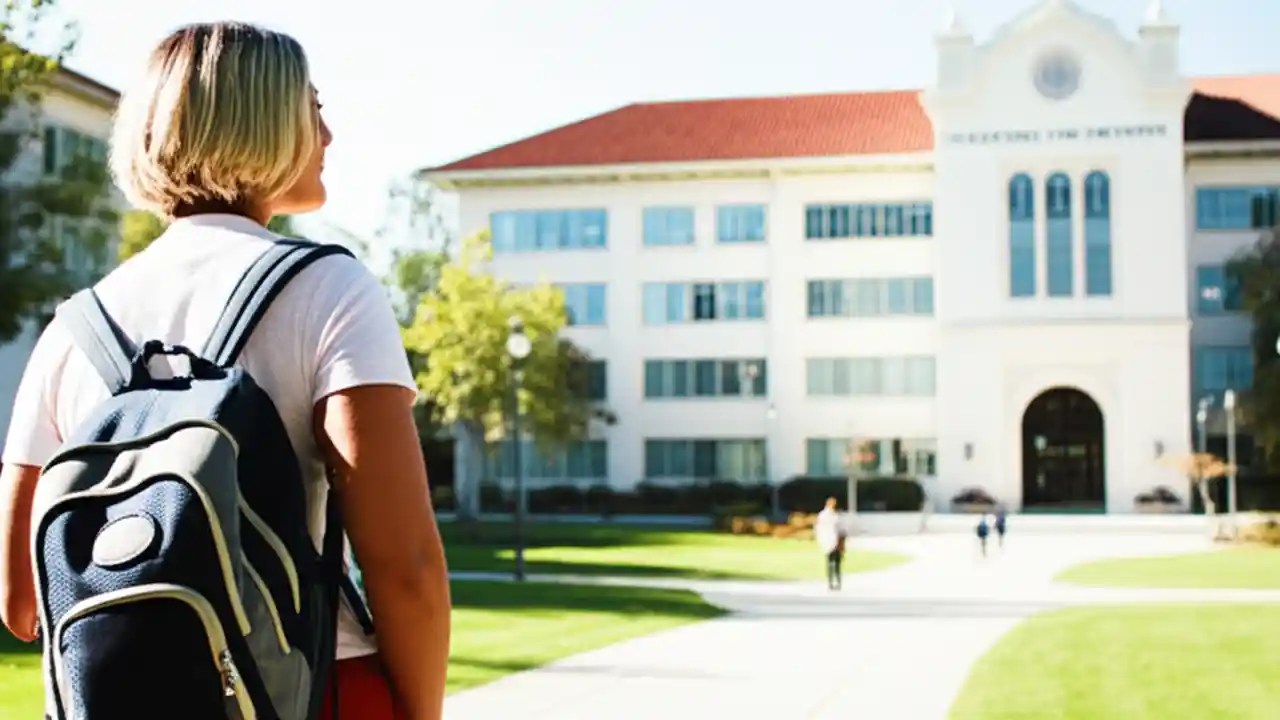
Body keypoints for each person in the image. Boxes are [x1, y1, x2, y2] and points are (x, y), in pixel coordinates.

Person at [0, 22, 450, 720]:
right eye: (312, 108)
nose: (327, 135)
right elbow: (407, 568)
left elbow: (22, 602)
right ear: (258, 122)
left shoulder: (74, 328)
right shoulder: (330, 289)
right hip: (317, 687)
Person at [815, 497, 845, 590]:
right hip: (831, 540)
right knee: (834, 563)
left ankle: (834, 582)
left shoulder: (829, 515)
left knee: (833, 562)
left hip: (831, 541)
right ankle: (834, 582)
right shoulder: (828, 516)